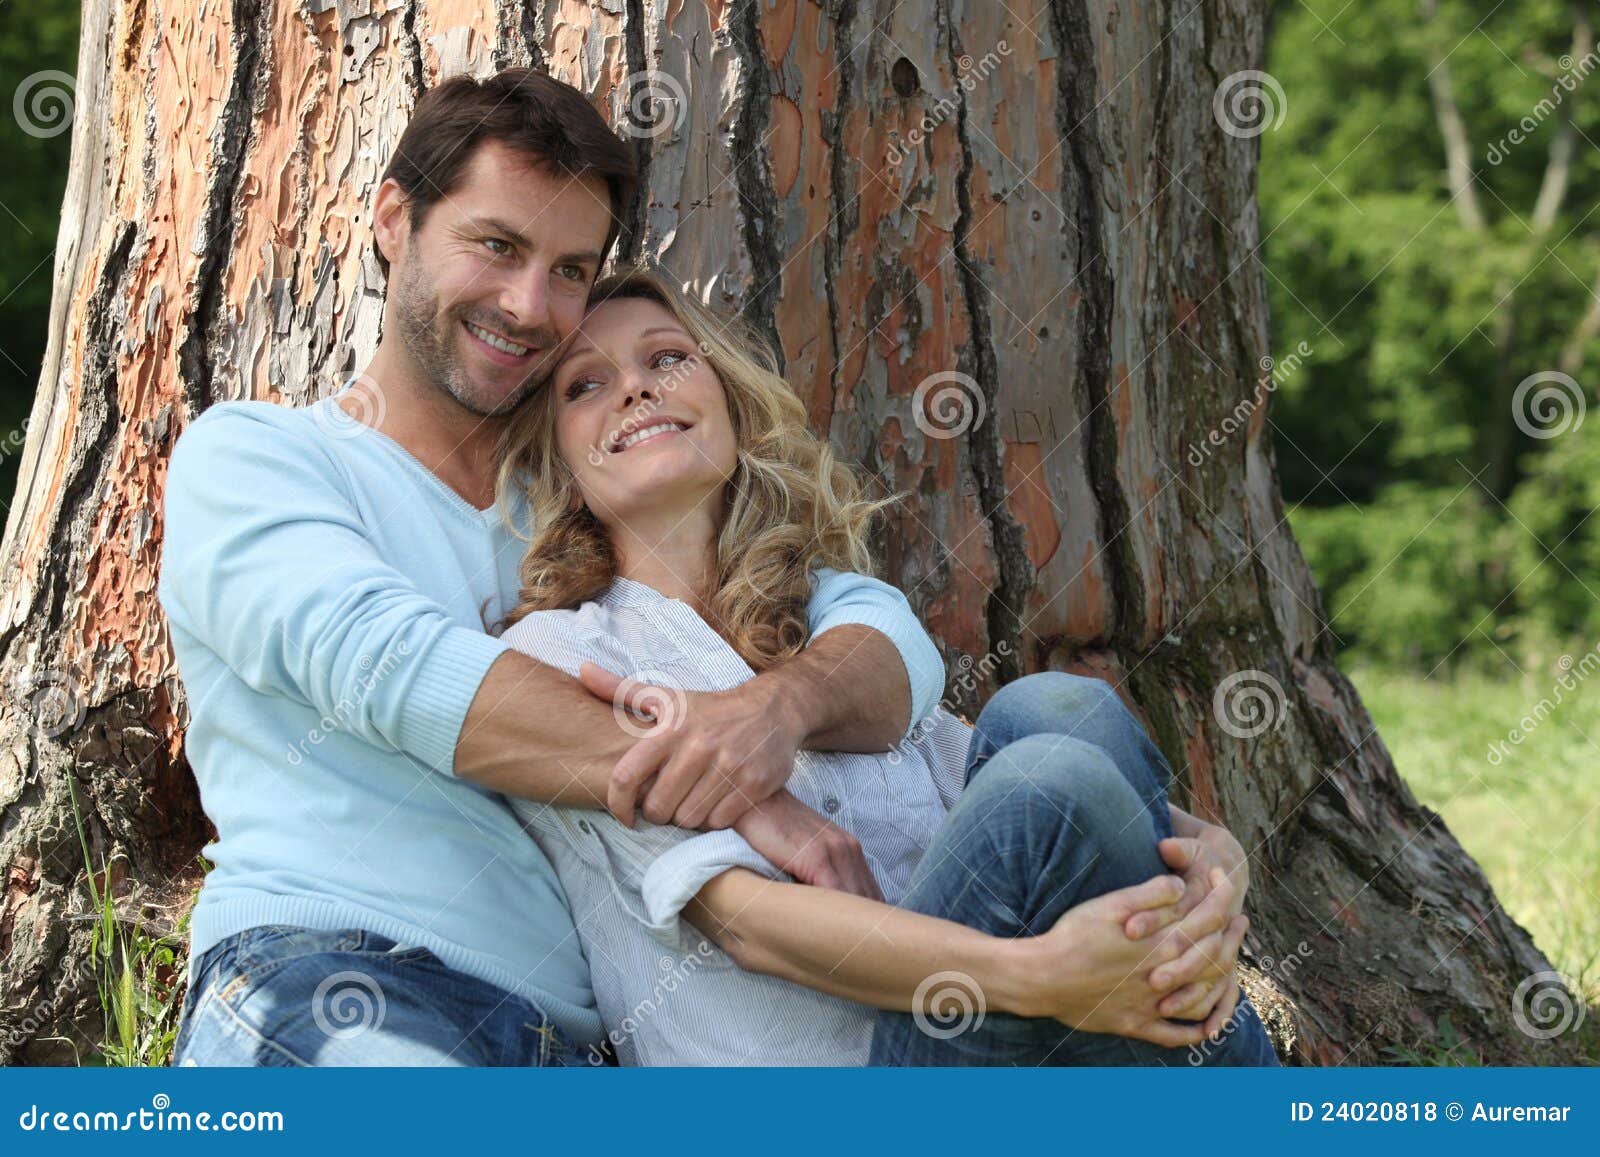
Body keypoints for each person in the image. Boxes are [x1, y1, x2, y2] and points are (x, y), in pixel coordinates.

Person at [158, 69, 948, 1067]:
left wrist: (777, 711)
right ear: (393, 219)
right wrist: (735, 786)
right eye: (497, 246)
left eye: (570, 268)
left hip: (584, 1042)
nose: (531, 305)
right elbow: (395, 667)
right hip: (339, 972)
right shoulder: (263, 458)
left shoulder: (590, 495)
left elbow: (891, 644)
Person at [494, 267, 1280, 1066]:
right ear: (558, 468)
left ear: (729, 400)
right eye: (585, 384)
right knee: (1051, 774)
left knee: (1058, 712)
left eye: (666, 359)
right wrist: (1036, 975)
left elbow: (996, 781)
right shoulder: (562, 654)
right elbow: (745, 923)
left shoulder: (821, 615)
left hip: (997, 1041)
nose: (634, 387)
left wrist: (1206, 852)